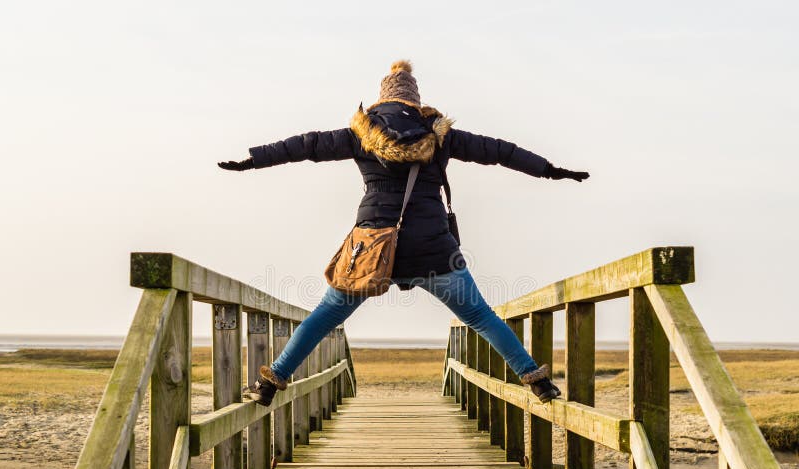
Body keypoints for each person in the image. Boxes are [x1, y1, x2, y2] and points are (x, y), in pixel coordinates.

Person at [218, 60, 589, 407]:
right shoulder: (442, 136)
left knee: (325, 316)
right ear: (416, 101)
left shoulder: (357, 134)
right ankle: (536, 380)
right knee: (480, 316)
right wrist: (550, 170)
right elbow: (500, 152)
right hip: (433, 249)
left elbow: (305, 146)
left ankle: (271, 383)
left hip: (371, 248)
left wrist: (253, 160)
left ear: (382, 99)